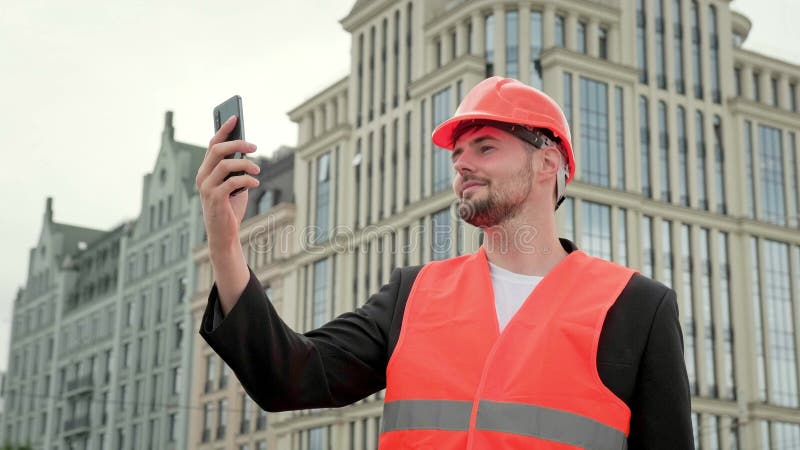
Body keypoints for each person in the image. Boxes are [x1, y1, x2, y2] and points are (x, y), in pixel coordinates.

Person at [196, 76, 693, 449]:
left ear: (549, 163)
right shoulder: (414, 295)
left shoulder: (637, 308)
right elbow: (288, 377)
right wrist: (225, 240)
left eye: (485, 147)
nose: (462, 164)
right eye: (457, 154)